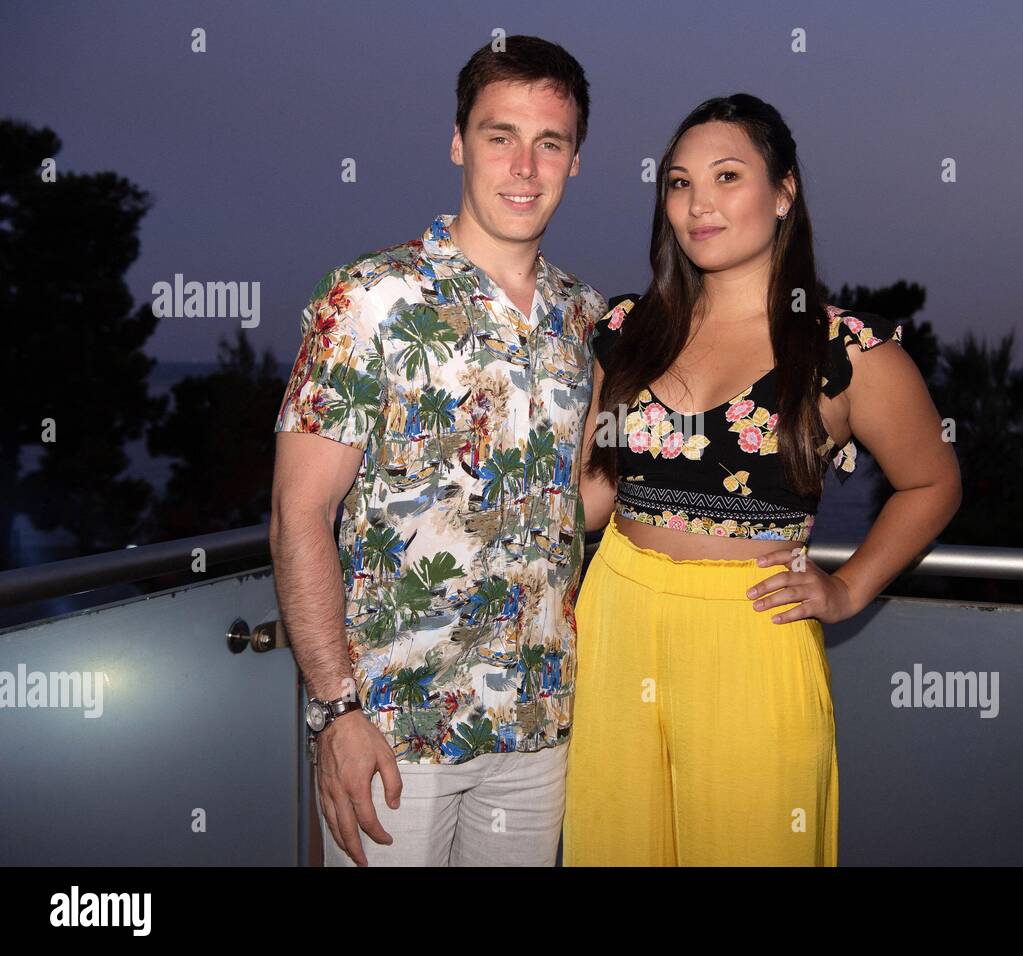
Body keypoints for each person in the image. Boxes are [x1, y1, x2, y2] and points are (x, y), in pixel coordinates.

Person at [564, 93, 962, 866]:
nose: (698, 203)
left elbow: (933, 482)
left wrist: (846, 591)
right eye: (679, 183)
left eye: (726, 176)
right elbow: (592, 497)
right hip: (614, 620)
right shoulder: (627, 330)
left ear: (783, 194)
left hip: (753, 633)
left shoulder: (845, 351)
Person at [270, 36, 606, 866]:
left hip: (538, 729)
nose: (524, 166)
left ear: (575, 160)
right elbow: (297, 513)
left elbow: (578, 505)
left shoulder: (584, 316)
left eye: (549, 143)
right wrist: (334, 711)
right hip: (391, 728)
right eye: (500, 136)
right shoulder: (370, 297)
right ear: (459, 142)